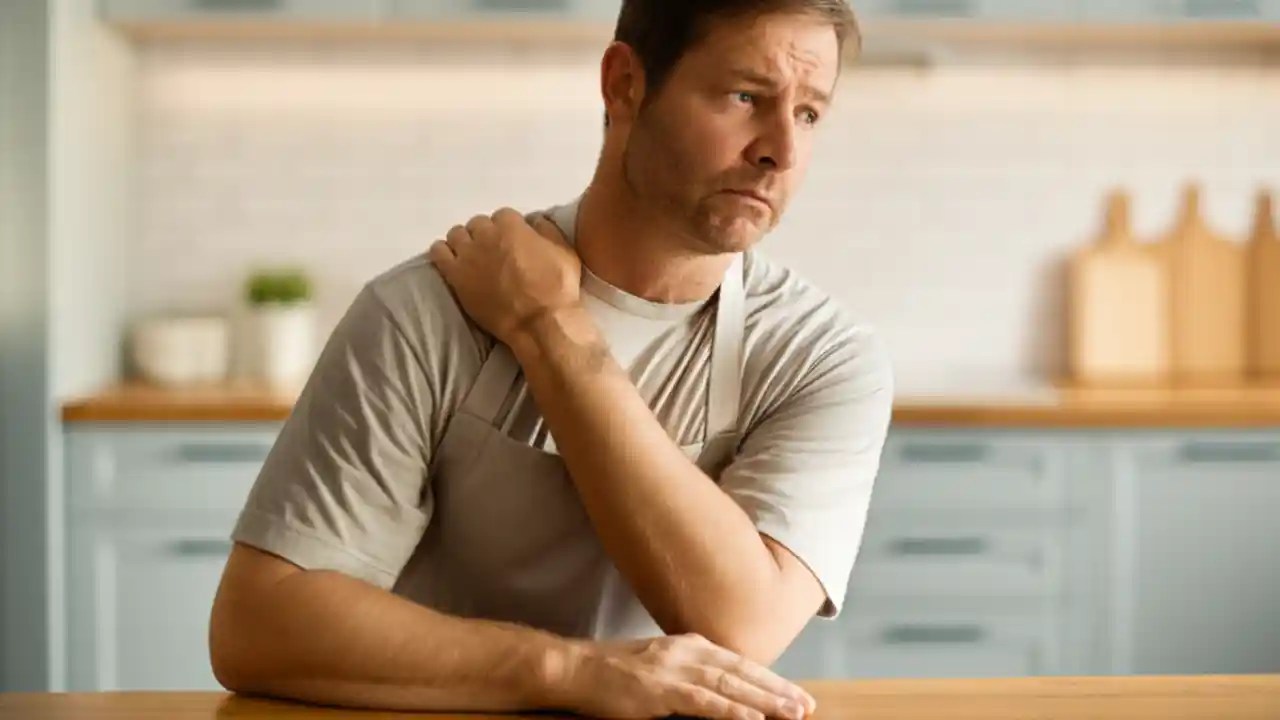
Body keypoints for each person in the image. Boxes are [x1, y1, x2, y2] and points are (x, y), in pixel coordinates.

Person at [209, 1, 893, 718]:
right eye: (745, 97)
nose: (780, 150)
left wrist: (548, 326)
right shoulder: (426, 312)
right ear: (625, 84)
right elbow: (258, 625)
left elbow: (742, 623)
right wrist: (570, 670)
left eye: (810, 114)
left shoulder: (822, 358)